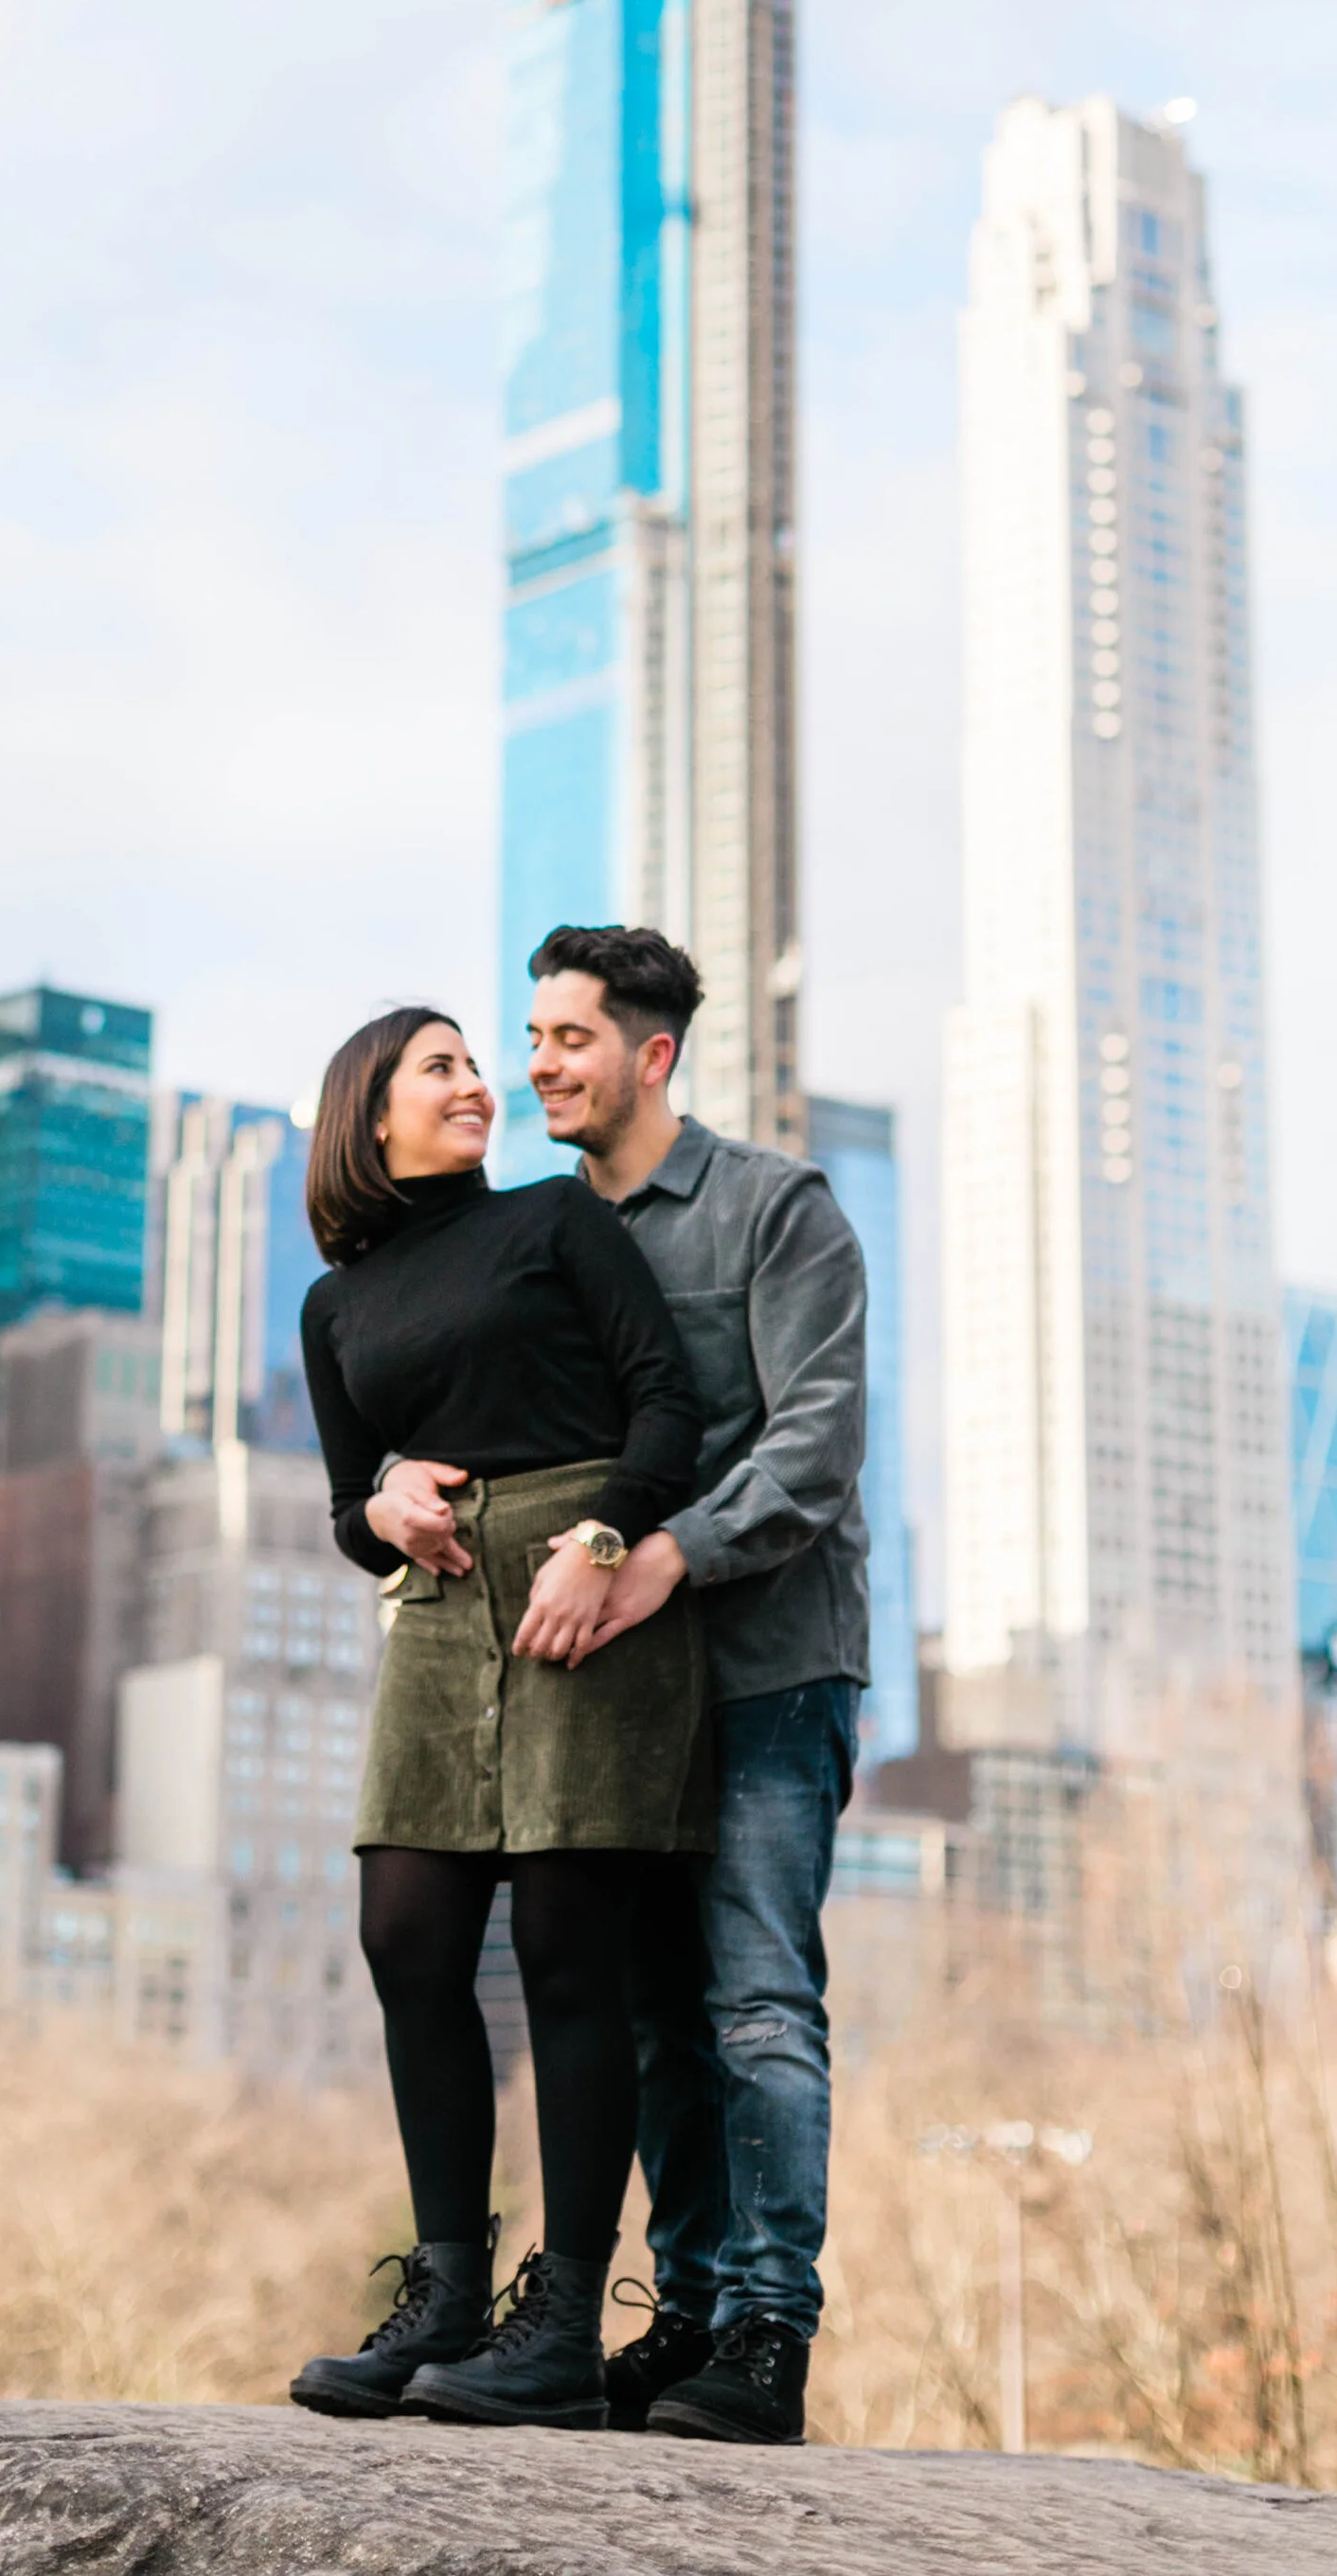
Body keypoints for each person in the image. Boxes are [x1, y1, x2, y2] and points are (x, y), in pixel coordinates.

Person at [396, 925, 868, 2445]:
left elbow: (813, 1443)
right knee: (652, 2014)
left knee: (755, 2006)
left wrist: (659, 1553)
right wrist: (385, 1483)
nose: (536, 1062)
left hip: (765, 1666)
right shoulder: (529, 1228)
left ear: (652, 1054)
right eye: (527, 1035)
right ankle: (682, 2315)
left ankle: (769, 2331)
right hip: (601, 1696)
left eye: (569, 1037)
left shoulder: (770, 1209)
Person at [286, 1002, 710, 2434]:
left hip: (578, 1593)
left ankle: (561, 2319)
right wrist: (382, 1509)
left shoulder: (555, 1221)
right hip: (437, 1609)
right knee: (406, 1931)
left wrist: (604, 1541)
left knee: (566, 1946)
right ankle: (449, 2291)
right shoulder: (333, 1304)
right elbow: (354, 1506)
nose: (478, 1084)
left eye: (479, 1064)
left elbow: (674, 1407)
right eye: (444, 1067)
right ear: (371, 1113)